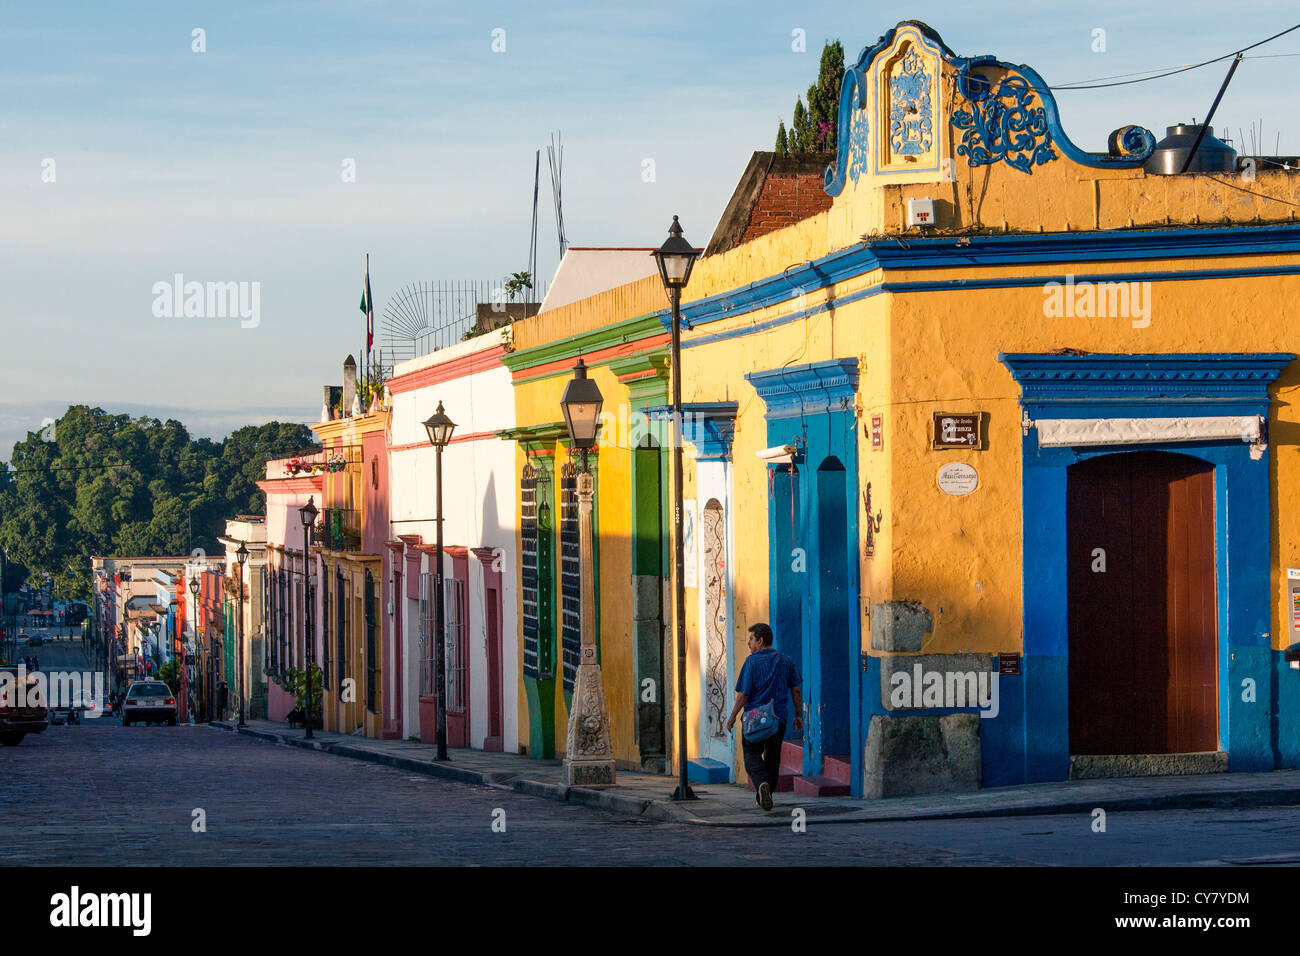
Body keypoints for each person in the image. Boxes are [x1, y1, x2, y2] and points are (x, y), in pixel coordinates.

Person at [725, 622, 803, 811]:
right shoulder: (786, 661)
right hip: (779, 718)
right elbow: (796, 690)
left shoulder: (751, 662)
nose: (749, 643)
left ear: (760, 641)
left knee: (751, 753)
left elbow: (743, 694)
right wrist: (798, 714)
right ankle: (767, 788)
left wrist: (732, 716)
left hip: (754, 719)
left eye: (751, 639)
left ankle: (761, 784)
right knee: (773, 756)